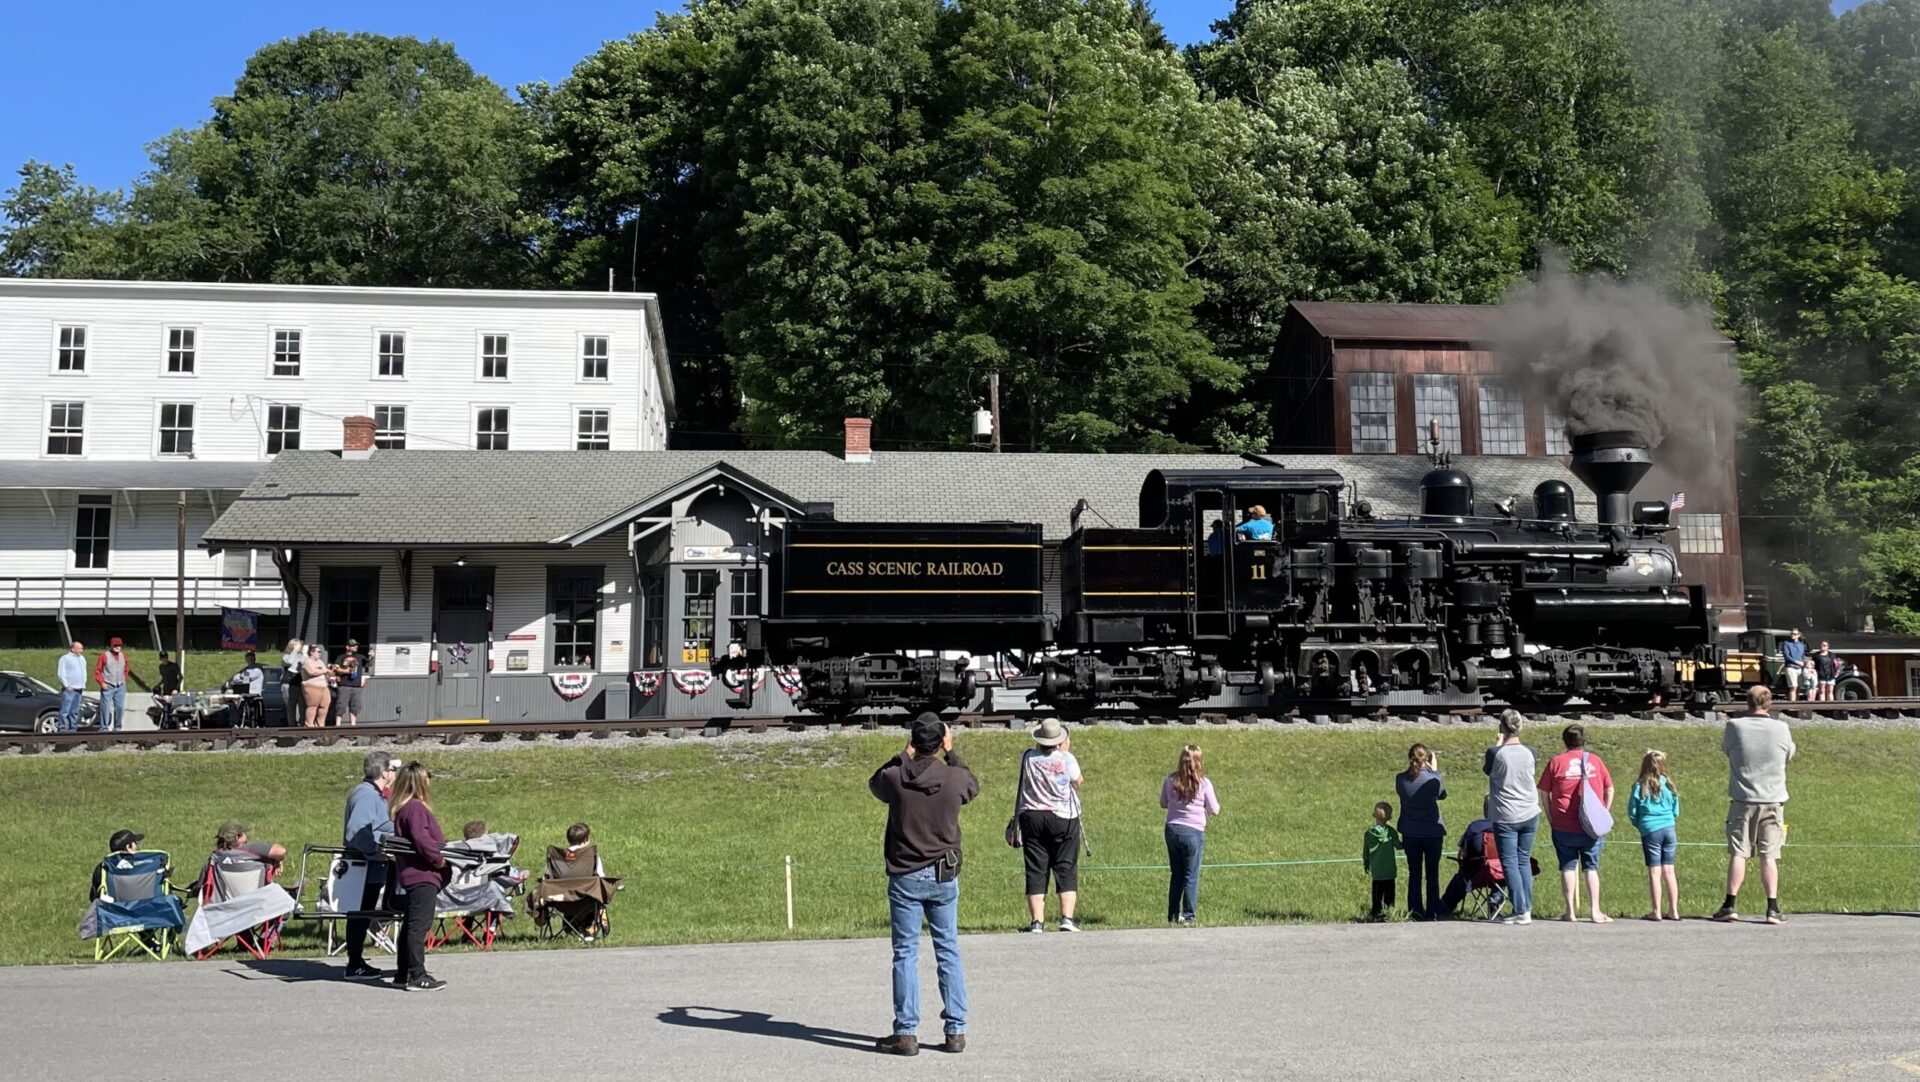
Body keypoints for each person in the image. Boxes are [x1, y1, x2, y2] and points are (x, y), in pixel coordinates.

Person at [869, 713, 977, 1056]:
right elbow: (972, 785)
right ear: (942, 740)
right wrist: (952, 752)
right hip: (943, 874)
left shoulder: (896, 776)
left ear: (914, 741)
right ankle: (956, 1031)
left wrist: (904, 754)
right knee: (948, 950)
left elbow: (875, 782)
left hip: (905, 875)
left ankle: (906, 1032)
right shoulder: (954, 777)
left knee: (905, 954)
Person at [1716, 686, 1796, 925]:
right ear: (1769, 704)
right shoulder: (1781, 728)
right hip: (1773, 799)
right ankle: (1772, 907)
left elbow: (1727, 752)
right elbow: (1789, 755)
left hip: (1743, 799)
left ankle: (1730, 904)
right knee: (1769, 855)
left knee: (1739, 852)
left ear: (1747, 703)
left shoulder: (1735, 726)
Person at [1538, 724, 1614, 923]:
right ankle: (1595, 911)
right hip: (1590, 825)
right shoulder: (1595, 761)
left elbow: (1544, 792)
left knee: (1567, 866)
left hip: (1563, 823)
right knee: (1591, 867)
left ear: (1565, 741)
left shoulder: (1556, 762)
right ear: (1584, 741)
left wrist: (1551, 816)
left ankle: (1570, 911)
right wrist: (1603, 812)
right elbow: (1609, 788)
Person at [1016, 717, 1084, 933]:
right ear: (1059, 740)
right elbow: (1078, 782)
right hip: (1063, 815)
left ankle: (1037, 921)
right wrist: (1065, 752)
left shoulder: (1027, 757)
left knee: (1036, 867)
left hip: (1032, 814)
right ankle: (1067, 918)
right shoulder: (1067, 759)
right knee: (1065, 865)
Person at [389, 761, 449, 991]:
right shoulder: (416, 808)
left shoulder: (404, 808)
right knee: (418, 926)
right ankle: (417, 975)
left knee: (410, 924)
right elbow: (422, 840)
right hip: (422, 873)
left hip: (412, 874)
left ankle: (403, 971)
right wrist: (438, 859)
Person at [341, 751, 398, 981]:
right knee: (360, 913)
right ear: (384, 773)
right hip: (364, 868)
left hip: (369, 868)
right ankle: (354, 963)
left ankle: (356, 961)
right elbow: (356, 831)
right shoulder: (367, 795)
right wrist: (376, 852)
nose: (395, 773)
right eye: (393, 769)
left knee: (362, 913)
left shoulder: (371, 794)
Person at [1483, 709, 1539, 925]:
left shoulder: (1495, 752)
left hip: (1506, 814)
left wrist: (1498, 744)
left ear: (1501, 727)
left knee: (1509, 862)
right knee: (1523, 859)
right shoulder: (1530, 751)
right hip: (1530, 811)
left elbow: (1488, 771)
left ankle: (1520, 909)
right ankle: (1527, 906)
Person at [1160, 744, 1220, 924]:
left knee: (1176, 873)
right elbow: (1215, 809)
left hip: (1172, 830)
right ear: (1199, 763)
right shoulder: (1203, 783)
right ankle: (1188, 916)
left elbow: (1163, 803)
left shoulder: (1170, 780)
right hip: (1193, 832)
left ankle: (1172, 915)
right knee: (1191, 874)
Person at [1396, 743, 1447, 920]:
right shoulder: (1433, 778)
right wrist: (1435, 771)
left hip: (1411, 832)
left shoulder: (1401, 779)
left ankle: (1415, 911)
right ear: (1427, 759)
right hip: (1432, 832)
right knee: (1432, 874)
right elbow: (1442, 795)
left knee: (1414, 873)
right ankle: (1433, 910)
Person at [1629, 750, 1681, 922]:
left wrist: (1640, 824)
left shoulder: (1639, 786)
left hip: (1650, 829)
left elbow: (1633, 812)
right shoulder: (1669, 785)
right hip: (1669, 828)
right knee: (1669, 870)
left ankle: (1656, 910)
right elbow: (1676, 810)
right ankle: (1674, 910)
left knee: (1654, 871)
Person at [1436, 809, 1501, 918]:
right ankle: (1495, 901)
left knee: (1460, 878)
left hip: (1476, 873)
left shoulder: (1475, 827)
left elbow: (1462, 854)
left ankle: (1444, 908)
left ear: (1485, 810)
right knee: (1502, 867)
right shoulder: (1508, 826)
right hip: (1500, 874)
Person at [93, 637, 141, 732]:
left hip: (120, 686)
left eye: (119, 645)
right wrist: (102, 683)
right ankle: (104, 728)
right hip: (108, 685)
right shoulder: (104, 656)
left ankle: (117, 728)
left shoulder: (124, 656)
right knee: (105, 708)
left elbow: (126, 669)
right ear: (111, 645)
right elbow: (97, 671)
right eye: (115, 645)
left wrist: (124, 679)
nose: (117, 647)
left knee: (119, 707)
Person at [1363, 802, 1400, 921]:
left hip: (1377, 871)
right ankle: (1389, 913)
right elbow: (1398, 846)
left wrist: (1366, 863)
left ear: (1374, 815)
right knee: (1390, 894)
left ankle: (1375, 913)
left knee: (1377, 894)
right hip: (1389, 870)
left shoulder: (1369, 834)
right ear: (1389, 817)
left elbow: (1366, 852)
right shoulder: (1391, 832)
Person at [212, 821, 286, 865]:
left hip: (225, 891)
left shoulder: (214, 858)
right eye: (243, 832)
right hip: (254, 891)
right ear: (237, 837)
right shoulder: (250, 849)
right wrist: (277, 860)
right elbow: (281, 851)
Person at [333, 639, 371, 726]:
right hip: (344, 684)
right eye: (353, 645)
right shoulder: (341, 657)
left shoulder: (360, 657)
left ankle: (353, 725)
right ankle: (337, 725)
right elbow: (336, 668)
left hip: (356, 685)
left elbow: (369, 664)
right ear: (347, 647)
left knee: (355, 706)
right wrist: (346, 671)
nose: (356, 647)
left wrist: (371, 657)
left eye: (356, 645)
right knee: (341, 705)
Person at [56, 640, 87, 733]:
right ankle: (62, 727)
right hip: (70, 688)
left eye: (82, 649)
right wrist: (66, 685)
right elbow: (61, 673)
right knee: (66, 709)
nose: (81, 651)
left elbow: (84, 672)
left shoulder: (82, 658)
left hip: (79, 688)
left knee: (75, 709)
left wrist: (84, 682)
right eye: (79, 648)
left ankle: (73, 726)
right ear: (73, 649)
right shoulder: (65, 658)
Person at [229, 652, 265, 726]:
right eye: (248, 658)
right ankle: (235, 723)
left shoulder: (257, 670)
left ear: (254, 659)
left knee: (241, 699)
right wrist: (240, 676)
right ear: (246, 659)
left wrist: (241, 676)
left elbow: (248, 679)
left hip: (254, 693)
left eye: (251, 657)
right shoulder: (245, 670)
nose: (250, 659)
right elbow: (235, 679)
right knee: (232, 700)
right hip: (245, 692)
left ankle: (245, 723)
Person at [301, 643, 332, 728]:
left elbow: (325, 672)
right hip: (312, 686)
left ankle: (320, 725)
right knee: (312, 706)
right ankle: (309, 725)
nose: (320, 653)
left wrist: (329, 674)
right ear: (312, 652)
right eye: (318, 651)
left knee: (324, 705)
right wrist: (324, 670)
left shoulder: (320, 662)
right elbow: (312, 672)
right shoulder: (307, 662)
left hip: (323, 686)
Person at [280, 638, 306, 729]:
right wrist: (294, 650)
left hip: (299, 682)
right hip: (288, 681)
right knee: (291, 705)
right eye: (299, 645)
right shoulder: (286, 656)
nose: (301, 647)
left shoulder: (301, 656)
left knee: (302, 704)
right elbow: (289, 662)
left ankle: (303, 723)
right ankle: (292, 725)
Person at [1780, 628, 1807, 702]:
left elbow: (1802, 656)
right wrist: (1797, 662)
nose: (1793, 635)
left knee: (1798, 687)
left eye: (1795, 634)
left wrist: (1805, 661)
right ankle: (1792, 705)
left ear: (1798, 635)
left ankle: (1797, 703)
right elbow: (1787, 656)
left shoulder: (1801, 645)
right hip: (1791, 667)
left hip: (1800, 668)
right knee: (1793, 687)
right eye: (1792, 633)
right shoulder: (1786, 643)